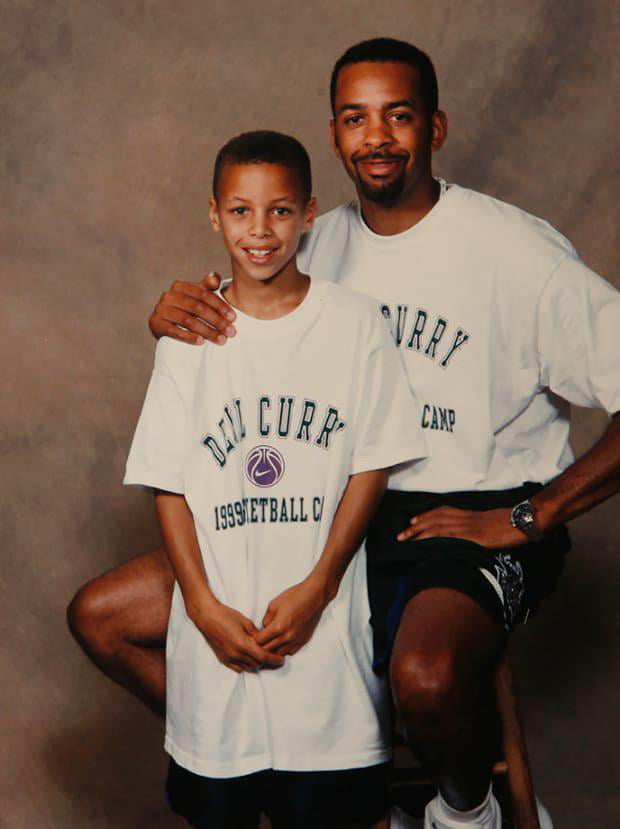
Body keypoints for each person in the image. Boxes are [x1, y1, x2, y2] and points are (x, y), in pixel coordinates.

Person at [68, 38, 620, 829]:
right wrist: (174, 313)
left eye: (399, 115)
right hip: (318, 510)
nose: (378, 137)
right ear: (333, 136)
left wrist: (529, 516)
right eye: (357, 119)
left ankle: (465, 811)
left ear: (437, 126)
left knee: (426, 676)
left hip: (466, 516)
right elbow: (225, 323)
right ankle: (264, 749)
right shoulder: (311, 243)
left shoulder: (517, 253)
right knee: (102, 615)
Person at [122, 128, 427, 829]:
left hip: (325, 660)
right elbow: (168, 482)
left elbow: (370, 463)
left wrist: (321, 584)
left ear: (311, 212)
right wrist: (198, 603)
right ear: (213, 213)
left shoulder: (353, 324)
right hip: (216, 650)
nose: (260, 231)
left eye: (280, 211)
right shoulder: (190, 339)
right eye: (240, 211)